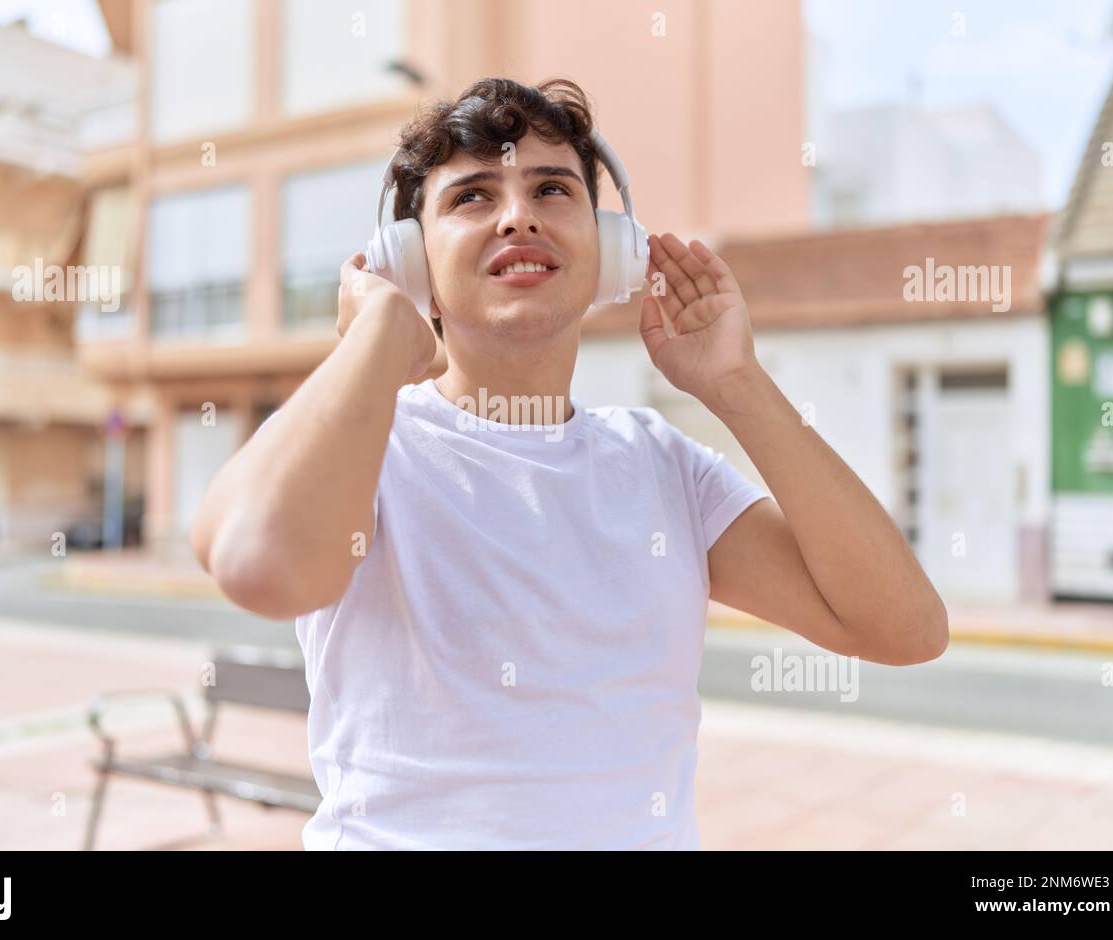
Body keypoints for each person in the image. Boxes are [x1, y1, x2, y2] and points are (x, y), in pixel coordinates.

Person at [190, 77, 949, 850]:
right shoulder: (361, 442)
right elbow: (260, 562)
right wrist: (379, 335)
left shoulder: (663, 467)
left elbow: (906, 628)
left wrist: (737, 385)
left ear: (613, 251)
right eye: (472, 197)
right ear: (411, 263)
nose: (518, 215)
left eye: (551, 189)